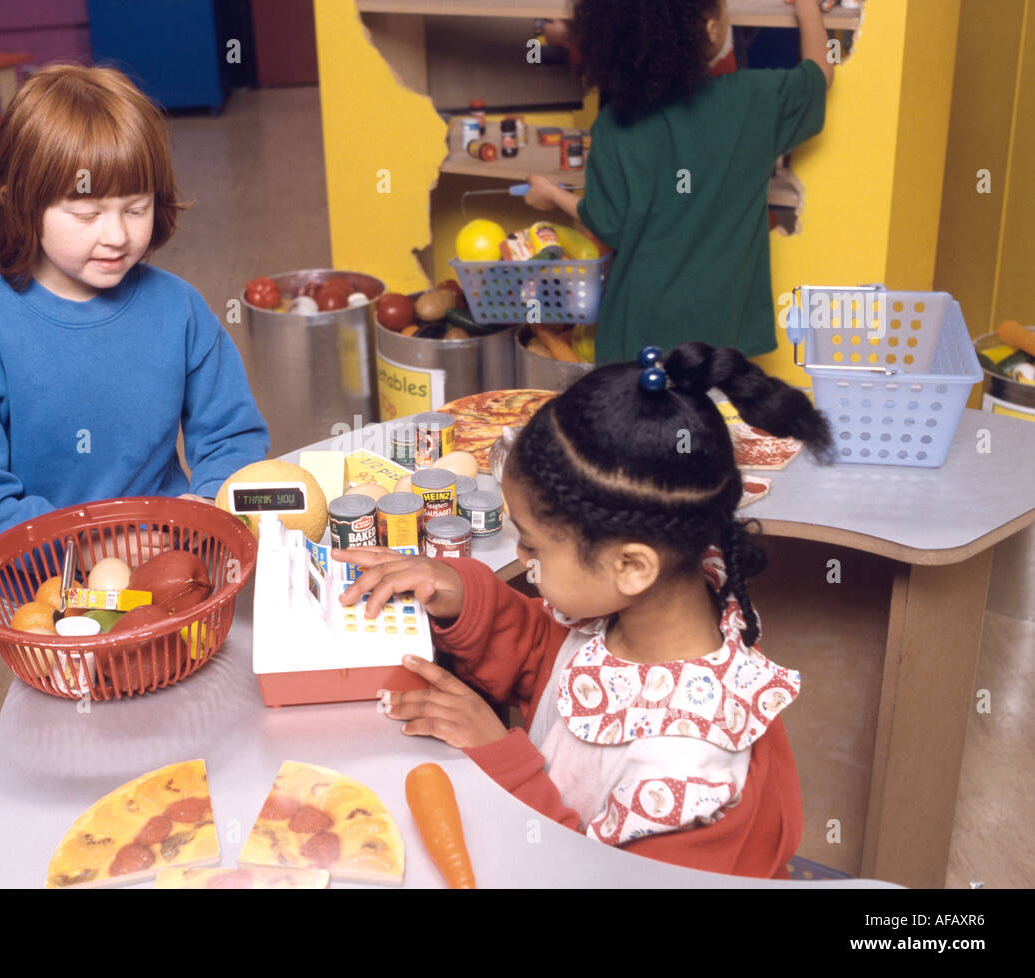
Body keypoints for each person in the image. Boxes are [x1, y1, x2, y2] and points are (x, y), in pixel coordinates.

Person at [339, 343, 834, 878]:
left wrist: (500, 755)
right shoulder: (652, 607)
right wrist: (460, 594)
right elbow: (561, 665)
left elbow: (591, 875)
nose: (522, 559)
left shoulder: (683, 771)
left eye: (532, 546)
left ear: (631, 567)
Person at [0, 64, 268, 553]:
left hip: (173, 555)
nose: (117, 236)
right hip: (46, 586)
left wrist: (209, 504)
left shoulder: (180, 308)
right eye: (87, 214)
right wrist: (94, 548)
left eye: (136, 208)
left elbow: (232, 435)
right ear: (16, 203)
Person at [525, 0, 836, 365]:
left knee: (639, 418)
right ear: (709, 29)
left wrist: (552, 195)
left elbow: (610, 224)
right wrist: (806, 6)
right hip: (720, 330)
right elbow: (819, 75)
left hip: (636, 330)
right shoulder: (753, 99)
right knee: (712, 419)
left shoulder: (613, 124)